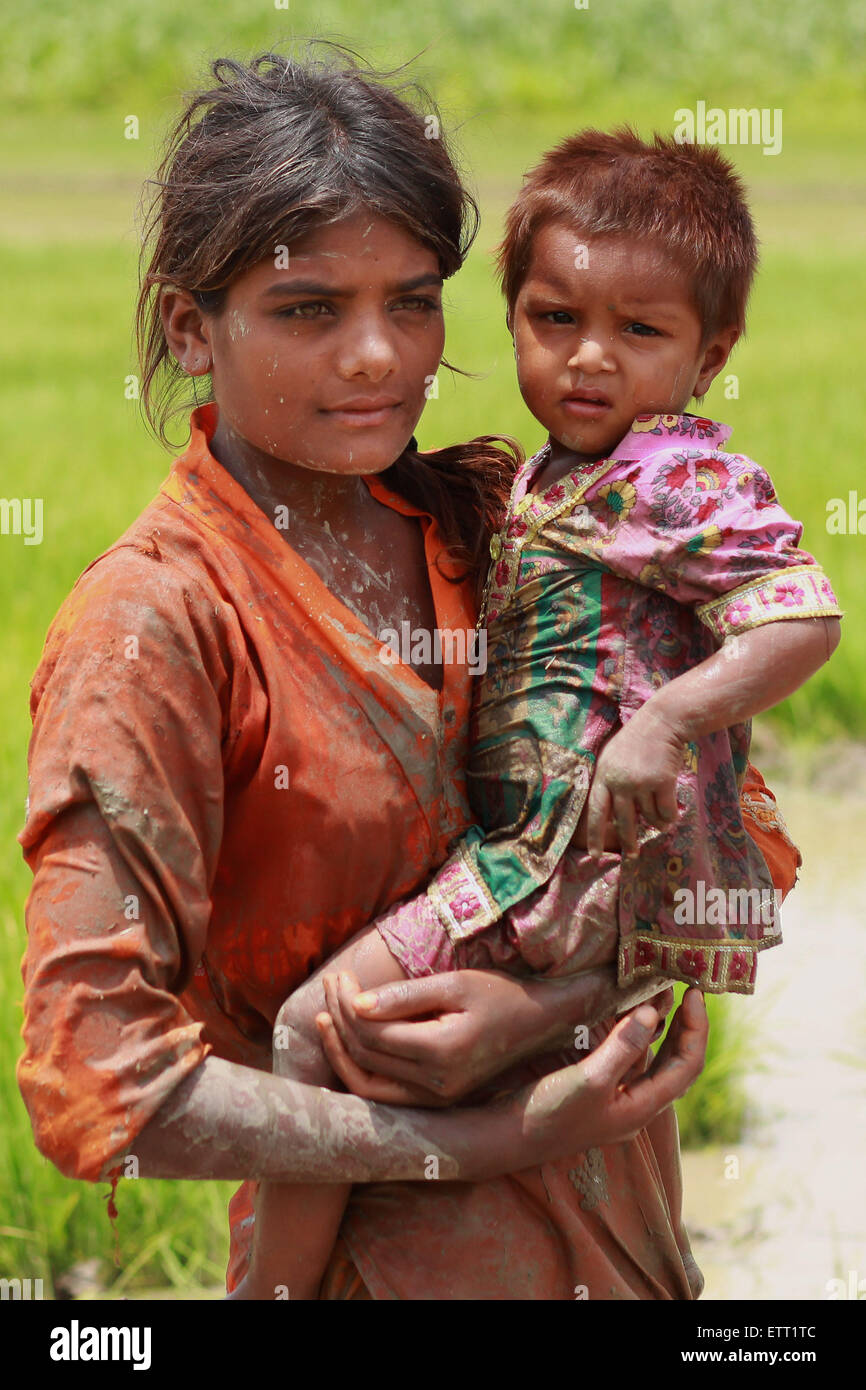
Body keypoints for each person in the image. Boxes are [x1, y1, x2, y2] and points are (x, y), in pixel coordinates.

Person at [16, 52, 776, 1303]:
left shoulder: (512, 523)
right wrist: (476, 1136)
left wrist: (549, 1012)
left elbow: (723, 834)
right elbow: (104, 1079)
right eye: (307, 309)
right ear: (188, 326)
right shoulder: (158, 624)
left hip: (624, 1236)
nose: (375, 356)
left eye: (411, 302)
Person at [242, 127, 841, 1299]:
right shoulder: (540, 476)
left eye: (640, 331)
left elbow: (801, 618)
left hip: (560, 872)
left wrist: (662, 721)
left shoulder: (674, 475)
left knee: (312, 1031)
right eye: (554, 319)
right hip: (531, 864)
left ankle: (267, 1298)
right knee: (369, 1047)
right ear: (508, 314)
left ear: (710, 355)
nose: (588, 361)